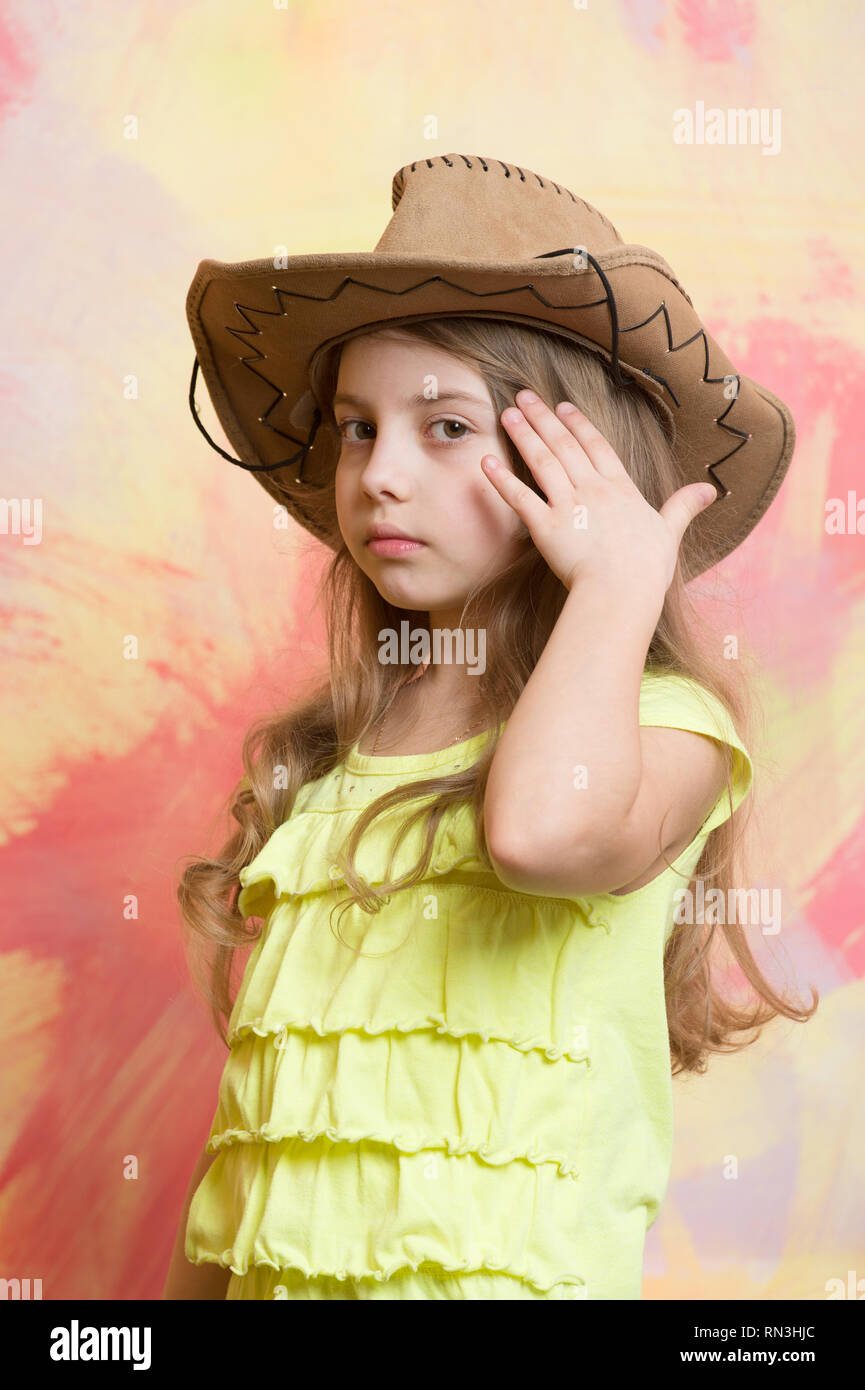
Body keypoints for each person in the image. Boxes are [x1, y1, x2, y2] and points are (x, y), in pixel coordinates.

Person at [163, 154, 817, 1300]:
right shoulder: (322, 767)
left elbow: (539, 834)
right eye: (357, 429)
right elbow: (259, 1146)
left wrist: (614, 585)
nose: (379, 476)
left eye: (447, 426)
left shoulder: (669, 729)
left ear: (582, 463)